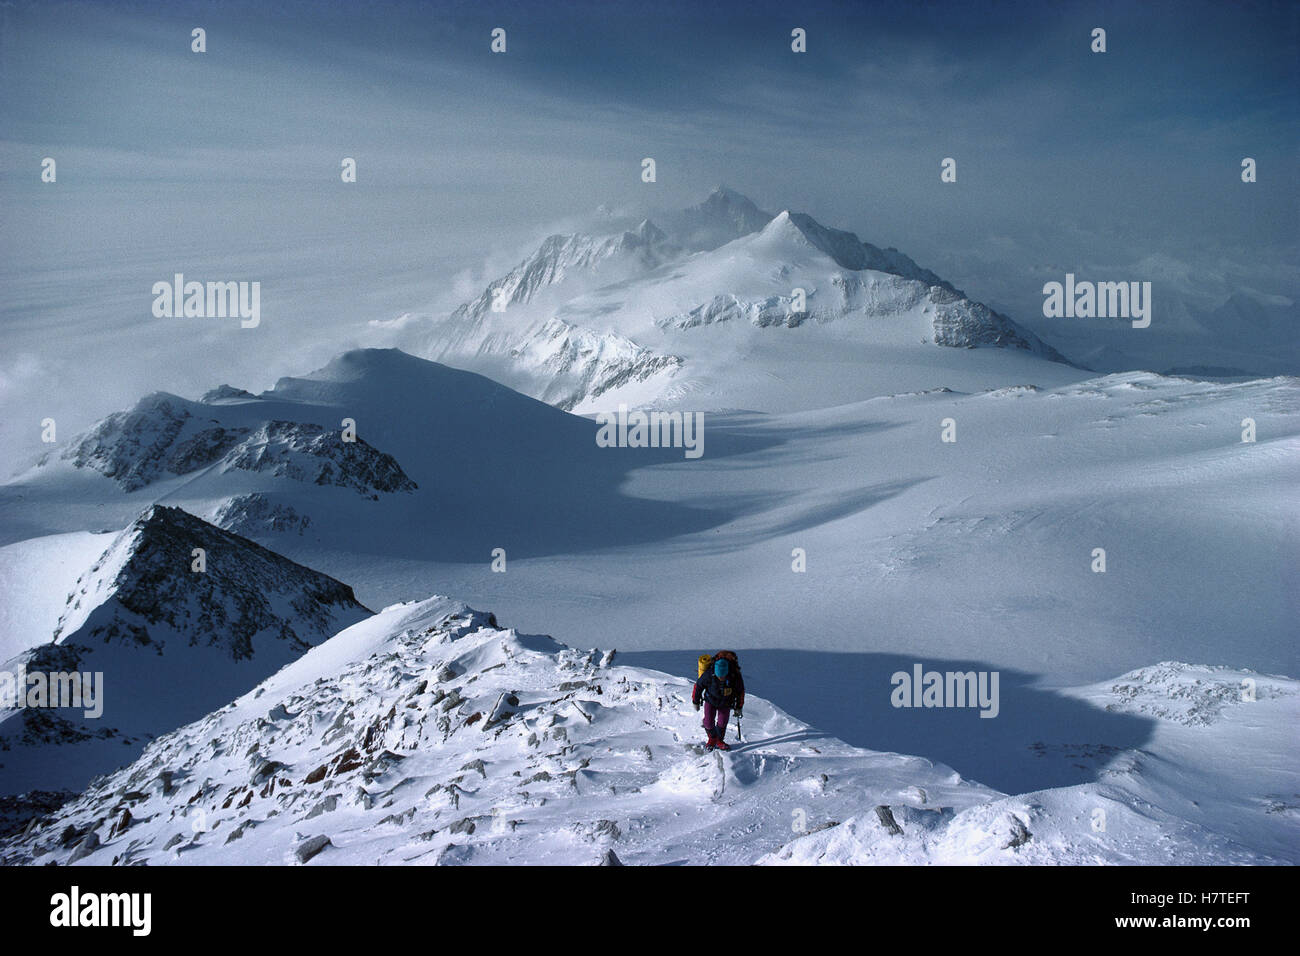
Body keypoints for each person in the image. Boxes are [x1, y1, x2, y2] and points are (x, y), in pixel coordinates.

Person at [692, 655, 744, 751]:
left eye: (723, 676)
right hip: (710, 700)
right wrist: (696, 701)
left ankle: (719, 740)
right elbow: (698, 686)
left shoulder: (734, 677)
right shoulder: (709, 675)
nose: (721, 678)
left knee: (723, 722)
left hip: (726, 703)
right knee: (708, 722)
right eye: (719, 676)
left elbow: (740, 691)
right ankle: (712, 739)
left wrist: (739, 707)